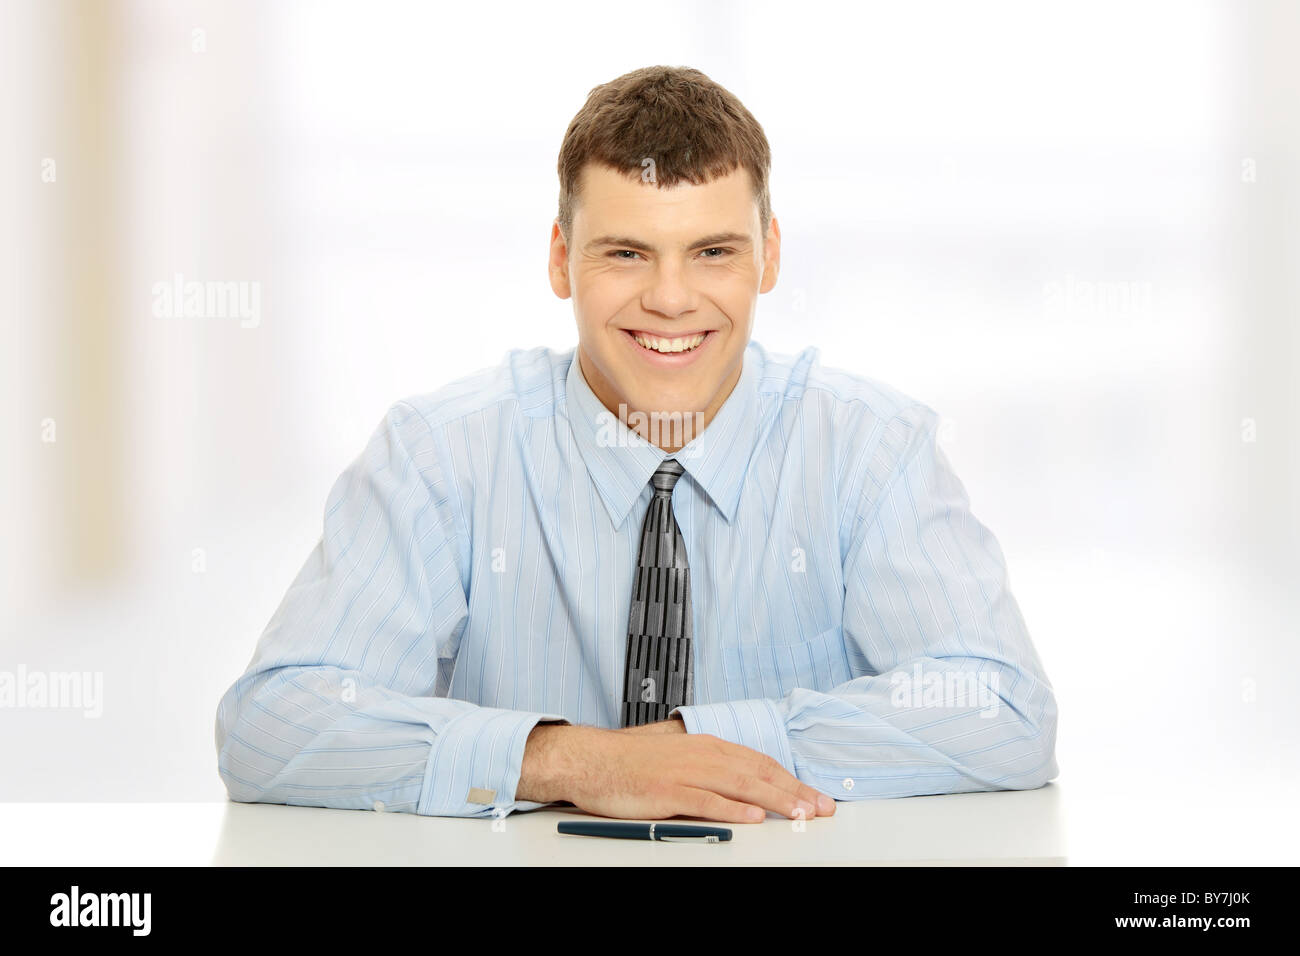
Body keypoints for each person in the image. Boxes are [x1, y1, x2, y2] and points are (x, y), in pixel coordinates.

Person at [215, 65, 1058, 825]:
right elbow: (272, 724)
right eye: (626, 252)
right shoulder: (440, 455)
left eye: (712, 252)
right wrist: (579, 761)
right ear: (560, 259)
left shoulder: (871, 451)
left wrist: (707, 749)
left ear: (768, 256)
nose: (669, 298)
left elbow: (1006, 714)